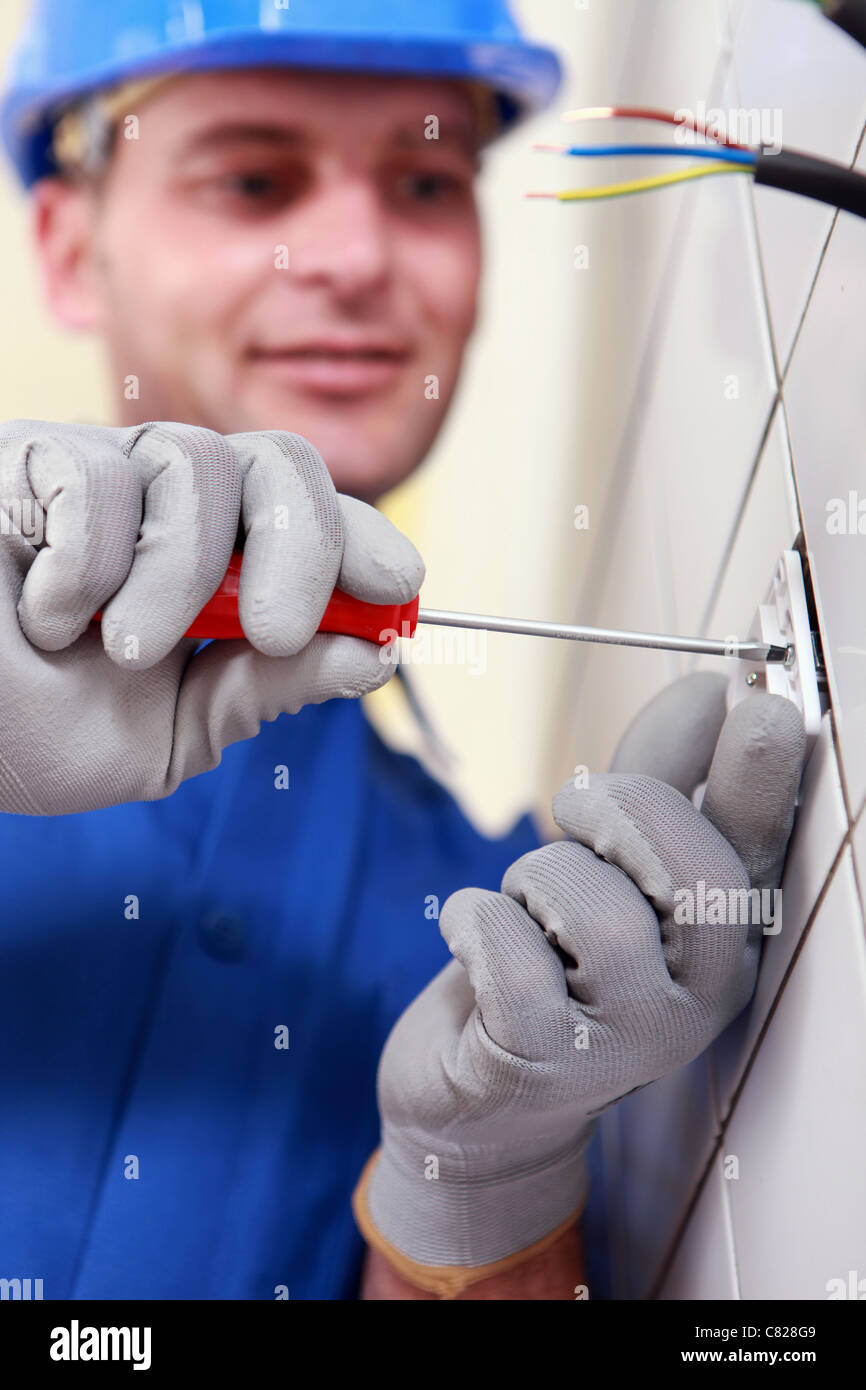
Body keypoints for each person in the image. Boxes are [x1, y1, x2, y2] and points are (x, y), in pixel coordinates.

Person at [0, 0, 806, 1301]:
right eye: (255, 177)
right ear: (67, 245)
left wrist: (480, 1189)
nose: (357, 255)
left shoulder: (499, 937)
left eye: (426, 180)